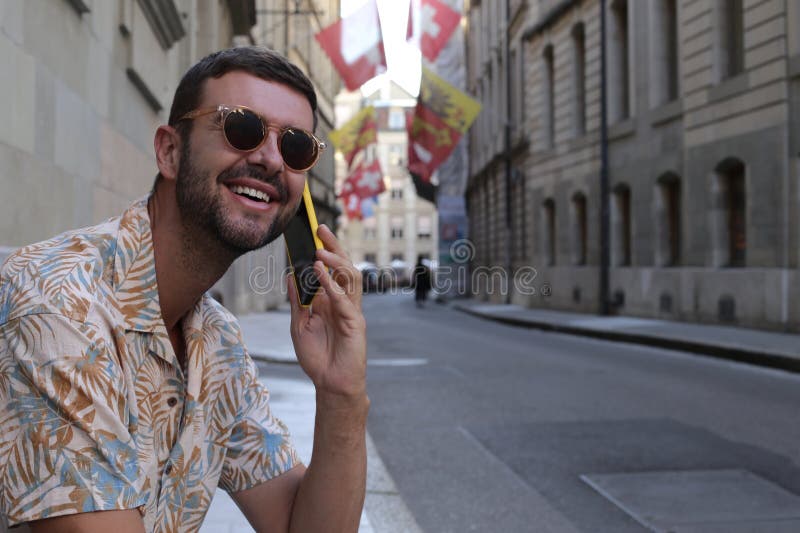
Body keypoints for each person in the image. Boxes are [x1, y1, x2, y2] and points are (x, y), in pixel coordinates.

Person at [0, 46, 367, 532]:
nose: (270, 160)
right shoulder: (58, 301)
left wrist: (342, 392)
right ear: (170, 152)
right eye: (242, 128)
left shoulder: (216, 340)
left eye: (296, 148)